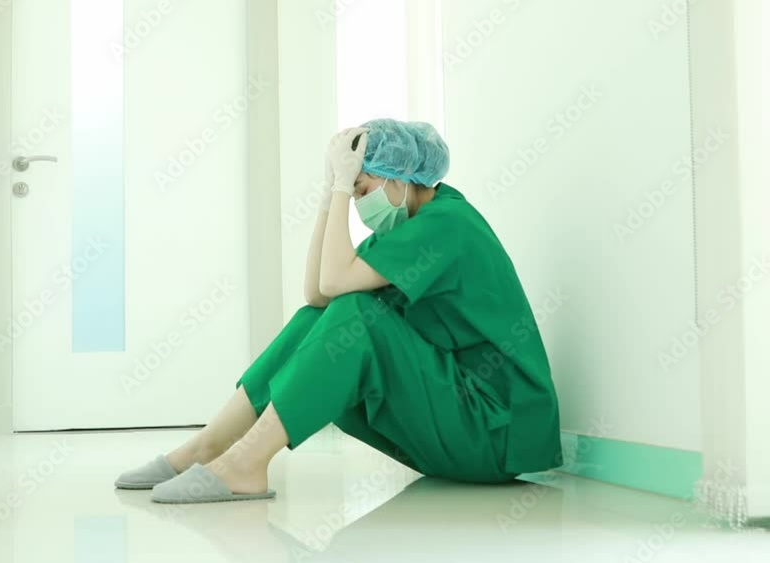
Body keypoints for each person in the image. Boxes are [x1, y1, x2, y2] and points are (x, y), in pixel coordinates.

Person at [115, 118, 563, 503]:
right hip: (460, 423)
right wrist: (330, 196)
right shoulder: (407, 229)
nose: (358, 199)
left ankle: (245, 464)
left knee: (358, 318)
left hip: (495, 430)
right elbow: (317, 295)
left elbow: (334, 283)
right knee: (321, 320)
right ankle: (207, 447)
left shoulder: (446, 223)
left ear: (399, 176)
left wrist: (339, 189)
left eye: (361, 188)